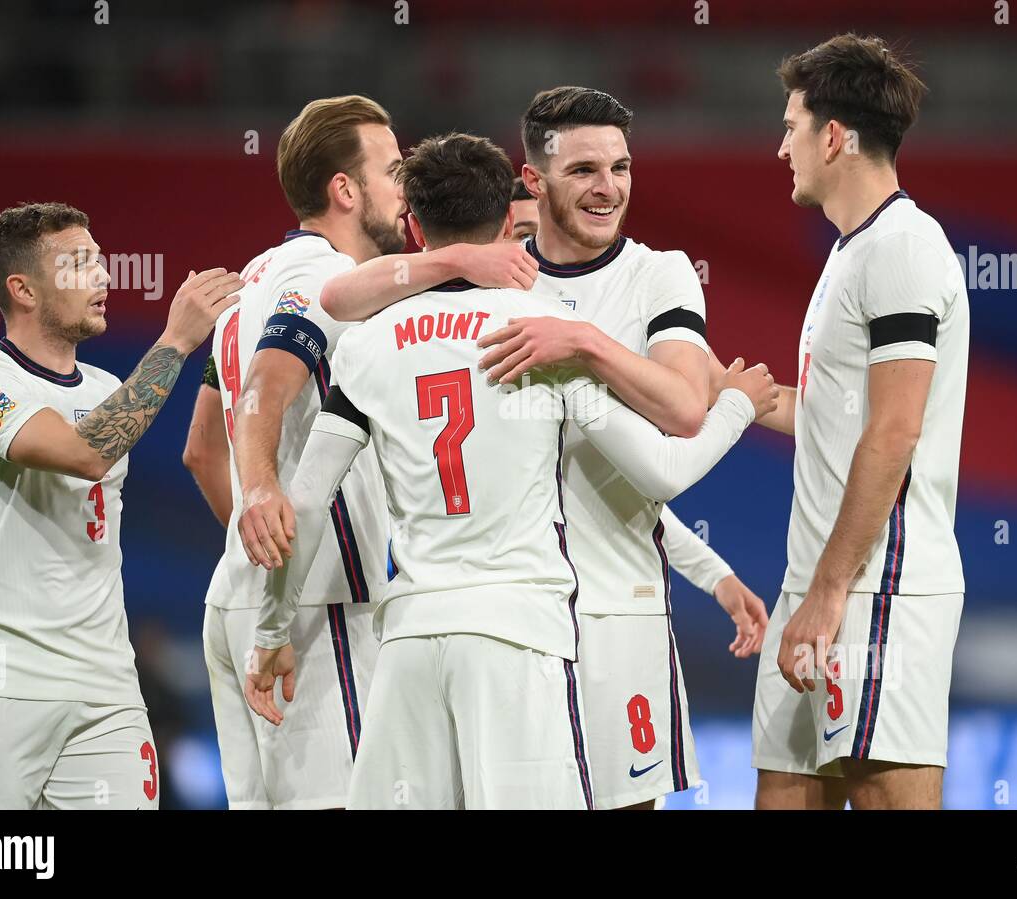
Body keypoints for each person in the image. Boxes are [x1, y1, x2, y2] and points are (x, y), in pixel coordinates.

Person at [244, 132, 776, 809]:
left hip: (408, 640)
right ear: (506, 223)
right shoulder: (543, 333)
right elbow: (661, 473)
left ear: (412, 223)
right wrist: (734, 408)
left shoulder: (369, 343)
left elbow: (308, 502)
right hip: (517, 638)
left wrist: (271, 631)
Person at [186, 95, 538, 810]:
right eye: (392, 169)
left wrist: (260, 547)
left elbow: (199, 450)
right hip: (317, 607)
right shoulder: (313, 275)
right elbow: (264, 389)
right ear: (344, 190)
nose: (405, 187)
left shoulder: (254, 276)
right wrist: (268, 506)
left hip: (239, 598)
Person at [476, 86, 772, 808]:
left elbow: (682, 408)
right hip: (512, 613)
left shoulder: (660, 273)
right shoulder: (496, 286)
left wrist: (578, 341)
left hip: (622, 612)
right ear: (533, 180)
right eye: (583, 170)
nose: (608, 188)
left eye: (621, 166)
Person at [0, 201, 240, 809]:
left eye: (100, 263)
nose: (102, 278)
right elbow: (84, 452)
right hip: (2, 680)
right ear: (22, 289)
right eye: (78, 265)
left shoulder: (105, 390)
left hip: (107, 686)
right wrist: (177, 339)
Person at [750, 34, 969, 810]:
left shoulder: (904, 249)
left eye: (791, 127)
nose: (782, 148)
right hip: (819, 590)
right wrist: (735, 394)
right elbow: (834, 420)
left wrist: (830, 589)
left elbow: (894, 431)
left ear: (833, 136)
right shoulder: (854, 252)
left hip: (877, 595)